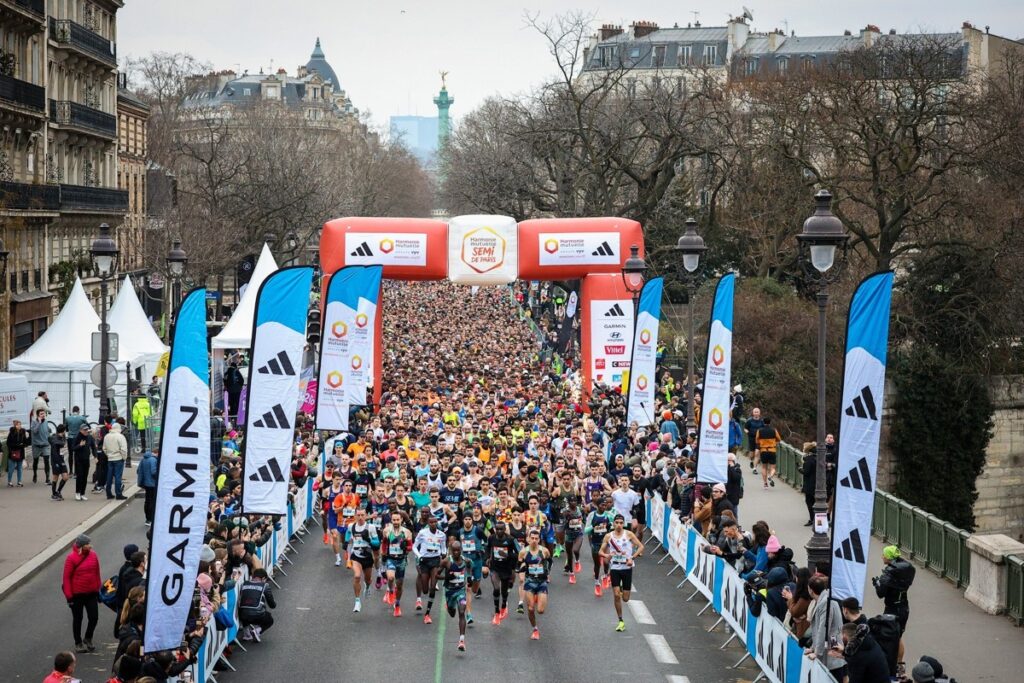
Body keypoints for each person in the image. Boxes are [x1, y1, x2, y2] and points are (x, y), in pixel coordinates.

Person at [598, 513, 643, 632]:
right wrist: (606, 555)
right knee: (617, 595)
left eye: (621, 523)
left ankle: (623, 588)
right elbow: (600, 552)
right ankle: (621, 620)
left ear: (624, 524)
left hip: (627, 568)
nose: (618, 525)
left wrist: (632, 558)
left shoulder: (629, 534)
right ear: (613, 524)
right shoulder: (608, 536)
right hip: (615, 568)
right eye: (616, 523)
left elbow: (641, 547)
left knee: (626, 599)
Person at [874, 545, 915, 666]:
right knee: (898, 637)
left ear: (888, 557)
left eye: (883, 555)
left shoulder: (889, 573)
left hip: (892, 608)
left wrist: (877, 583)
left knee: (890, 639)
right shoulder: (905, 569)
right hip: (903, 606)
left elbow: (880, 593)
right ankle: (900, 665)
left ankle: (890, 666)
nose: (882, 557)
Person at [62, 534, 101, 653]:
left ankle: (88, 638)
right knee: (78, 619)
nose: (90, 546)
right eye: (88, 544)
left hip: (91, 593)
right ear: (82, 546)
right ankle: (78, 642)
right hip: (77, 595)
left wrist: (98, 589)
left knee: (94, 617)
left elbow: (97, 573)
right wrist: (69, 596)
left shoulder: (93, 555)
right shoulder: (71, 558)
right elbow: (66, 578)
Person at [805, 575, 846, 679]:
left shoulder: (825, 602)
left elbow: (822, 628)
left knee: (834, 675)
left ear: (811, 590)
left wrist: (816, 652)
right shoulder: (824, 600)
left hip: (832, 646)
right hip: (831, 645)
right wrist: (813, 648)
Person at [345, 507, 380, 613]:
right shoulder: (351, 526)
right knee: (357, 576)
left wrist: (368, 539)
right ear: (355, 516)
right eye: (358, 515)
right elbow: (348, 539)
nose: (360, 517)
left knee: (368, 579)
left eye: (362, 515)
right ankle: (357, 601)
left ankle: (368, 586)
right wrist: (347, 551)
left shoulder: (371, 527)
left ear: (366, 516)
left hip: (368, 557)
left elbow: (377, 544)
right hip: (356, 556)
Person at [439, 539, 472, 651]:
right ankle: (449, 607)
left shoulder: (466, 561)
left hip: (461, 590)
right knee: (452, 613)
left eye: (458, 550)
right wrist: (447, 577)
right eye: (454, 551)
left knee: (462, 612)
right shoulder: (446, 561)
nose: (456, 553)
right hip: (450, 591)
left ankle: (461, 640)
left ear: (461, 550)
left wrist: (469, 579)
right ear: (451, 551)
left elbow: (469, 569)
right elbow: (436, 576)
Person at [485, 520, 519, 625]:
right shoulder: (491, 538)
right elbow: (487, 548)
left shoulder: (511, 540)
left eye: (501, 529)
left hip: (506, 568)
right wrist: (487, 558)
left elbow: (520, 553)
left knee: (504, 592)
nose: (499, 531)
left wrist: (507, 555)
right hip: (495, 568)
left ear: (505, 530)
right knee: (496, 589)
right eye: (497, 529)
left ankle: (504, 605)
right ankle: (496, 612)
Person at [413, 513, 446, 623]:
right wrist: (419, 556)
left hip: (435, 560)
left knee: (432, 588)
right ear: (428, 523)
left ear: (437, 522)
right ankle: (420, 597)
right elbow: (414, 546)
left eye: (435, 522)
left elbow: (443, 547)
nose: (433, 524)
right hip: (424, 561)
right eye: (431, 522)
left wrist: (444, 554)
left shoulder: (441, 535)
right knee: (425, 590)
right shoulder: (422, 533)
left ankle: (427, 613)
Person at [518, 528, 551, 640]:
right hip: (530, 582)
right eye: (532, 538)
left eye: (536, 539)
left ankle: (538, 597)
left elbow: (549, 562)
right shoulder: (523, 552)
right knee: (531, 608)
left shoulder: (544, 551)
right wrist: (522, 574)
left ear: (539, 539)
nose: (534, 540)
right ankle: (535, 629)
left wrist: (547, 573)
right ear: (528, 539)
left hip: (541, 582)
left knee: (540, 611)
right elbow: (520, 565)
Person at [382, 511, 413, 617]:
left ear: (401, 520)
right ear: (391, 520)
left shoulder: (407, 532)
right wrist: (384, 556)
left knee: (399, 585)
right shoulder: (386, 531)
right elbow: (384, 544)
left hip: (401, 560)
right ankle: (390, 591)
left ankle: (398, 604)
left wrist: (406, 547)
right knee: (390, 577)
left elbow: (410, 547)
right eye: (394, 520)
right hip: (391, 559)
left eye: (397, 520)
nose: (395, 522)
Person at [238, 568, 276, 642]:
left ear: (253, 576)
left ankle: (247, 634)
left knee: (245, 608)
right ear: (263, 578)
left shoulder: (244, 584)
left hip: (242, 616)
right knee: (269, 619)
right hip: (257, 615)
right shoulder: (265, 585)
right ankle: (257, 631)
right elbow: (272, 605)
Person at [103, 422, 129, 500]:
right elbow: (124, 449)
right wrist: (124, 457)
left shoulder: (107, 436)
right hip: (118, 458)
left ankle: (108, 493)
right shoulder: (120, 437)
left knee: (109, 476)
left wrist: (108, 455)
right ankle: (118, 493)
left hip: (110, 458)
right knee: (118, 476)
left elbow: (104, 448)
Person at [71, 424, 96, 501]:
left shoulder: (89, 437)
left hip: (86, 460)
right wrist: (80, 445)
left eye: (87, 430)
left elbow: (93, 447)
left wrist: (95, 457)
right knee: (80, 477)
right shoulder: (77, 437)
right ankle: (77, 493)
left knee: (85, 477)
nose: (86, 431)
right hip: (79, 460)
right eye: (84, 430)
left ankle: (82, 493)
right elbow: (72, 448)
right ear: (81, 430)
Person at [755, 416, 780, 488]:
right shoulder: (774, 430)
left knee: (764, 467)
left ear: (763, 422)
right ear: (770, 423)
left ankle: (765, 483)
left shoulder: (759, 430)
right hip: (772, 450)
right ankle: (770, 476)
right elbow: (779, 439)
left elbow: (757, 440)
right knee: (773, 468)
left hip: (763, 450)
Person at [136, 449, 159, 525]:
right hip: (152, 484)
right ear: (156, 453)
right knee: (152, 501)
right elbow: (154, 472)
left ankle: (148, 519)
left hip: (146, 484)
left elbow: (138, 470)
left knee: (147, 501)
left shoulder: (143, 459)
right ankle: (151, 518)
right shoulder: (153, 460)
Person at [49, 424, 70, 501]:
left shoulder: (62, 437)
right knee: (55, 477)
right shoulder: (55, 439)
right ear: (64, 431)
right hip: (56, 460)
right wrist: (58, 462)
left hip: (62, 459)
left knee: (65, 477)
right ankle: (54, 494)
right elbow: (54, 452)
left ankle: (58, 491)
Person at [6, 418, 29, 486]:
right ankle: (9, 481)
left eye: (20, 425)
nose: (19, 426)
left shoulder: (23, 432)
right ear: (14, 426)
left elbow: (25, 443)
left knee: (19, 468)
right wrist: (18, 445)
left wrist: (22, 445)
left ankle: (19, 481)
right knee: (11, 469)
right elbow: (8, 443)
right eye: (17, 425)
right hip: (12, 453)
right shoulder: (11, 433)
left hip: (21, 453)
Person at [31, 408, 51, 484]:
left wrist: (49, 431)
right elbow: (35, 431)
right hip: (36, 445)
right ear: (38, 415)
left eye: (44, 413)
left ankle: (47, 478)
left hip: (45, 445)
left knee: (46, 461)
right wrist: (39, 423)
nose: (43, 415)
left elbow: (47, 430)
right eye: (41, 414)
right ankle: (35, 474)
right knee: (35, 461)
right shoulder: (33, 422)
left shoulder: (45, 421)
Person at [224, 358, 245, 422]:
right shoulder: (237, 371)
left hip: (230, 390)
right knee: (237, 403)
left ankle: (231, 415)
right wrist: (239, 386)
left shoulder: (227, 372)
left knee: (231, 403)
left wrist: (228, 386)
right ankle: (236, 415)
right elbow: (242, 380)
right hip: (237, 390)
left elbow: (224, 380)